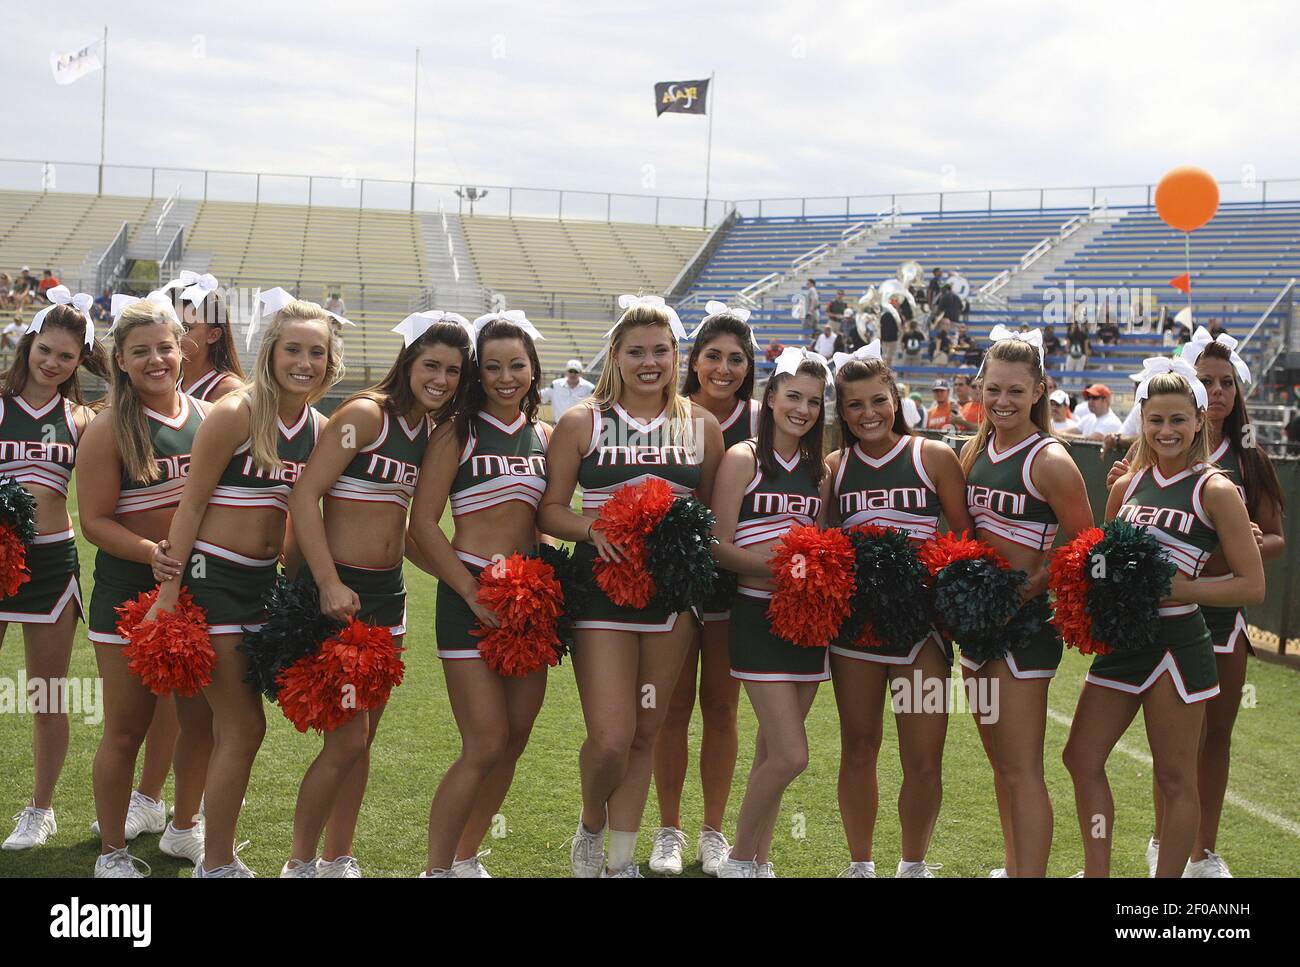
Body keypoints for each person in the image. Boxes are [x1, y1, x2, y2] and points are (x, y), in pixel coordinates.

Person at [149, 290, 343, 877]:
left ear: (330, 361)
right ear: (270, 352)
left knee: (217, 724)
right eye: (292, 349)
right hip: (212, 582)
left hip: (266, 589)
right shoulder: (236, 413)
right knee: (244, 725)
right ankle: (216, 862)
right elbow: (190, 505)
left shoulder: (323, 429)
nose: (303, 362)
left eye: (316, 352)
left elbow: (305, 516)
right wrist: (166, 595)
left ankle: (188, 836)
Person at [537, 295, 723, 877]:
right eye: (636, 351)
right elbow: (550, 511)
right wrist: (593, 527)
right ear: (615, 355)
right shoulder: (581, 421)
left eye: (660, 351)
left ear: (677, 356)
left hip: (672, 601)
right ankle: (592, 823)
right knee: (612, 737)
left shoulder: (701, 425)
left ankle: (621, 862)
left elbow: (712, 516)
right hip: (600, 592)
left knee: (647, 730)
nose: (649, 362)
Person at [283, 311, 469, 878]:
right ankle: (299, 862)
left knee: (362, 742)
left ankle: (340, 857)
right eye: (431, 365)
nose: (440, 378)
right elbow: (304, 496)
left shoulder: (428, 431)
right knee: (344, 741)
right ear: (408, 362)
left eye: (453, 371)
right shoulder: (364, 416)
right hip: (339, 589)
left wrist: (462, 580)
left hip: (386, 598)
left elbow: (407, 531)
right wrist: (327, 583)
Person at [1064, 357, 1264, 877]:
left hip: (1179, 641)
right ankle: (1097, 872)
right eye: (1156, 420)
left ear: (1199, 420)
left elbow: (1253, 583)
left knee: (1177, 777)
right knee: (1081, 759)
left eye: (1178, 419)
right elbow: (1107, 557)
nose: (1166, 430)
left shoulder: (1216, 489)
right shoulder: (1125, 486)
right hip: (1126, 640)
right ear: (1142, 422)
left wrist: (1186, 587)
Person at [1107, 331, 1285, 878]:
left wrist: (1247, 542)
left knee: (1217, 733)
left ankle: (1203, 851)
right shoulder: (1144, 457)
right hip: (1157, 619)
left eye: (1226, 382)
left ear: (1236, 393)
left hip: (1220, 615)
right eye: (1207, 380)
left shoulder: (1247, 460)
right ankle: (1165, 845)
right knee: (1169, 748)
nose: (1217, 390)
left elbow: (1275, 539)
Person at [409, 312, 555, 879]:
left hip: (531, 600)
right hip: (470, 592)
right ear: (477, 373)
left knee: (515, 737)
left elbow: (543, 519)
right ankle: (436, 869)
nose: (505, 376)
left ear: (532, 368)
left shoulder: (544, 435)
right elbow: (422, 524)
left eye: (516, 365)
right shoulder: (457, 433)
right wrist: (469, 589)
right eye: (491, 366)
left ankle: (467, 856)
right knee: (485, 741)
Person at [826, 345, 975, 878]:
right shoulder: (834, 469)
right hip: (855, 635)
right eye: (855, 405)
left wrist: (934, 591)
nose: (869, 414)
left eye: (878, 401)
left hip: (921, 632)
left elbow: (962, 541)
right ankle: (860, 863)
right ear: (841, 413)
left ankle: (912, 864)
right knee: (860, 746)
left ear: (896, 400)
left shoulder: (932, 457)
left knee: (923, 756)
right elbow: (824, 550)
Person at [77, 296, 212, 876]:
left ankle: (183, 828)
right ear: (122, 362)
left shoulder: (211, 416)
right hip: (129, 595)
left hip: (203, 593)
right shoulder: (108, 426)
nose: (157, 359)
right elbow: (96, 520)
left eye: (165, 347)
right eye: (141, 352)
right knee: (127, 728)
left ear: (182, 349)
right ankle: (112, 851)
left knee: (200, 721)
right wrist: (152, 555)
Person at [958, 327, 1094, 877]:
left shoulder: (1050, 459)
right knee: (999, 764)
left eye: (1015, 390)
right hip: (977, 625)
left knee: (1021, 769)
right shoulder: (975, 449)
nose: (1002, 401)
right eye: (993, 390)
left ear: (1040, 390)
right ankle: (1014, 867)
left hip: (1025, 629)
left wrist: (1029, 588)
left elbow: (1085, 545)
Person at [711, 347, 830, 877]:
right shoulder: (744, 457)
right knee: (791, 755)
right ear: (772, 397)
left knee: (770, 756)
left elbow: (821, 546)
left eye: (813, 401)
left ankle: (761, 862)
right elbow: (717, 546)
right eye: (793, 397)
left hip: (809, 624)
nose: (802, 409)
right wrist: (781, 571)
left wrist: (815, 574)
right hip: (757, 616)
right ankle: (738, 860)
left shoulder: (819, 470)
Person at [652, 304, 759, 876]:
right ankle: (668, 830)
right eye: (713, 356)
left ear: (750, 365)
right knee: (671, 707)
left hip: (736, 581)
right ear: (693, 360)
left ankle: (713, 830)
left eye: (735, 358)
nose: (723, 368)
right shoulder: (663, 414)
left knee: (721, 706)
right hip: (672, 581)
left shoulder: (766, 419)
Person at [0, 294, 103, 851]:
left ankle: (41, 809)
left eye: (67, 356)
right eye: (45, 350)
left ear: (79, 361)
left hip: (51, 562)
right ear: (28, 345)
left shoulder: (83, 420)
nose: (52, 363)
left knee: (47, 695)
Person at [879, 296, 902, 364]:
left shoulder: (883, 316)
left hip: (885, 339)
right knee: (890, 356)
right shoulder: (896, 316)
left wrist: (880, 338)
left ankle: (885, 370)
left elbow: (880, 328)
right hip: (893, 339)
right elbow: (900, 326)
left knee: (885, 356)